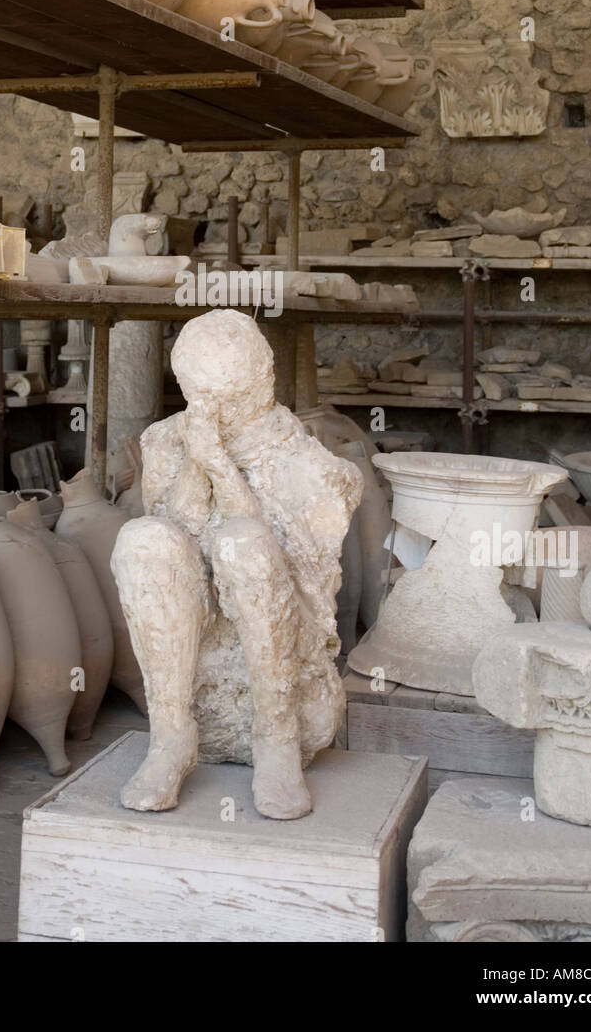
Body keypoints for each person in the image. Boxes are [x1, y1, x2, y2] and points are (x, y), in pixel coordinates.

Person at [111, 308, 363, 820]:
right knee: (143, 538)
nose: (209, 412)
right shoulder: (165, 440)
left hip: (275, 650)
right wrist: (198, 458)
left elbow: (286, 563)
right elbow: (179, 529)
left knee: (243, 544)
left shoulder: (305, 461)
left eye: (224, 400)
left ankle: (276, 738)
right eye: (197, 397)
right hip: (202, 641)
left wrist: (220, 465)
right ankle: (172, 737)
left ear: (260, 386)